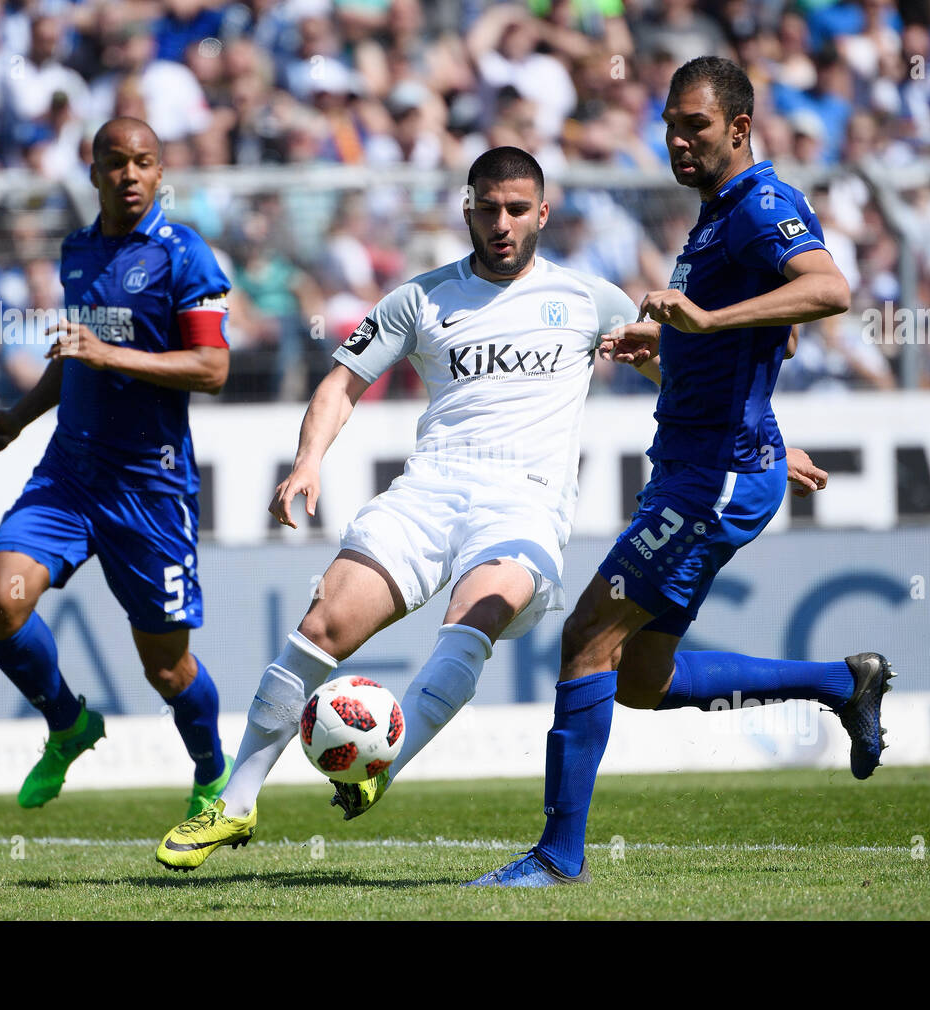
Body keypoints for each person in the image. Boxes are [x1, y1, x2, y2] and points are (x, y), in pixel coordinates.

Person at [154, 144, 831, 871]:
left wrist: (761, 447)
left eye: (517, 209)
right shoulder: (420, 298)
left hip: (525, 506)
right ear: (468, 210)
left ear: (542, 212)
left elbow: (690, 375)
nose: (502, 223)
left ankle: (387, 764)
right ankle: (235, 804)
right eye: (489, 208)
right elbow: (339, 385)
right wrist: (309, 461)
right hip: (428, 491)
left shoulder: (590, 299)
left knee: (470, 617)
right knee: (324, 625)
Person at [467, 56, 894, 888]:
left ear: (738, 127)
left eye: (694, 124)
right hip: (713, 465)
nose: (677, 139)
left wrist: (704, 320)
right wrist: (672, 346)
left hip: (715, 476)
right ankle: (844, 683)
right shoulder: (715, 219)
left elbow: (827, 290)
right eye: (669, 124)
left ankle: (557, 858)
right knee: (637, 678)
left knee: (587, 636)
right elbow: (774, 341)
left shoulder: (759, 204)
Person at [0, 117, 234, 816]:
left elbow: (212, 368)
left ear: (159, 172)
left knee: (167, 668)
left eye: (143, 162)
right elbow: (75, 359)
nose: (129, 175)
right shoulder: (78, 252)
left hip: (149, 486)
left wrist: (108, 354)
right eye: (115, 162)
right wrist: (18, 417)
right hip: (69, 472)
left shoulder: (185, 255)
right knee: (0, 603)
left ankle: (213, 775)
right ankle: (68, 722)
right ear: (93, 172)